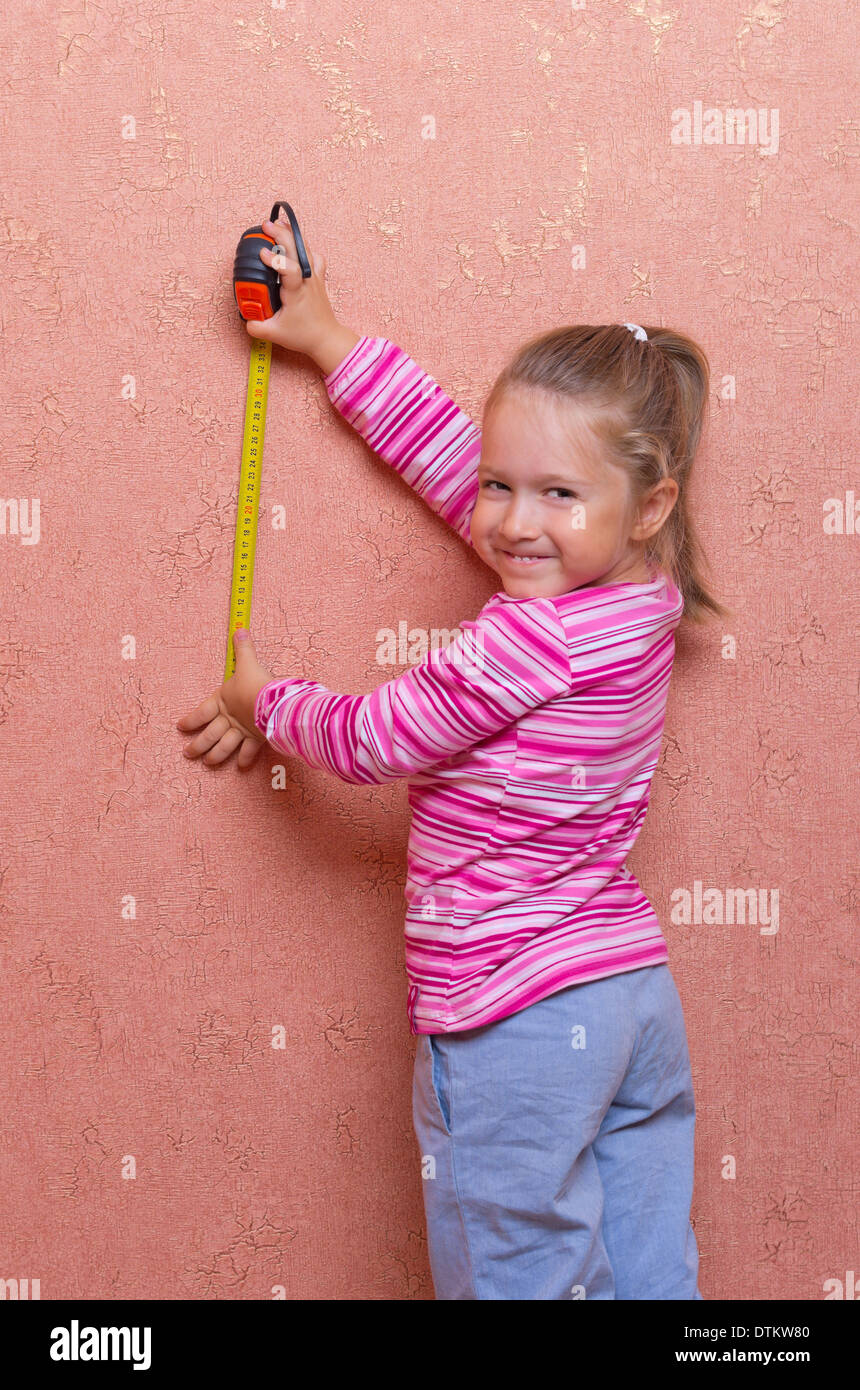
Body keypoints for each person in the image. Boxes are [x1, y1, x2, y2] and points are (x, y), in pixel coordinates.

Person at [177, 206, 729, 1300]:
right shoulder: (640, 599)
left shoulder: (522, 639)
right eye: (499, 485)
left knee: (522, 1282)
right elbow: (454, 459)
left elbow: (374, 737)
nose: (512, 521)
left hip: (512, 1012)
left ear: (646, 504)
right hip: (625, 1000)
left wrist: (262, 697)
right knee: (651, 1275)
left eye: (555, 495)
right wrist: (333, 344)